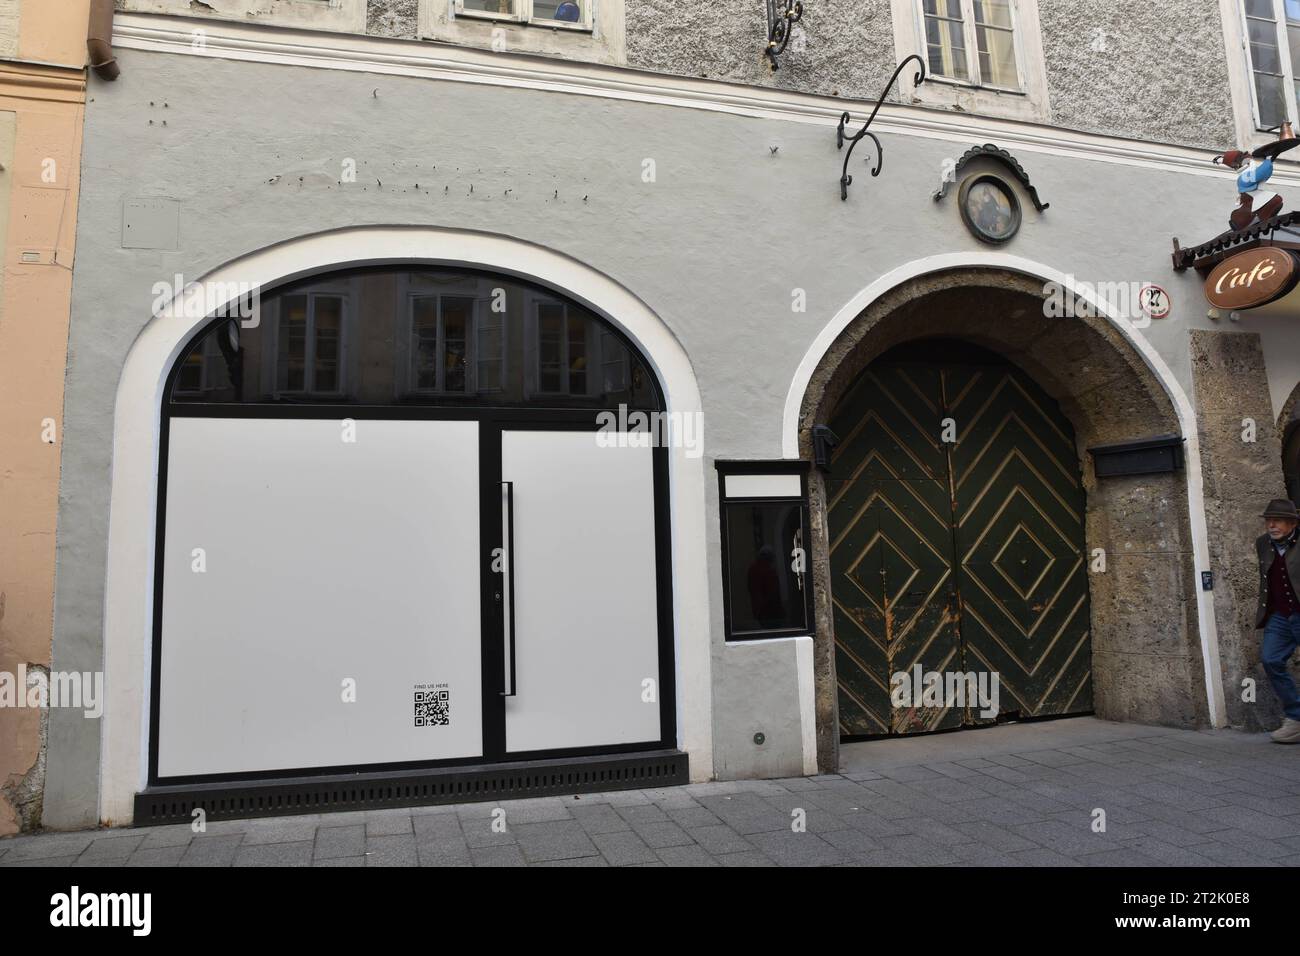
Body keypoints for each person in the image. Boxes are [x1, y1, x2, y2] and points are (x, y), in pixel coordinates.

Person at [1255, 498, 1300, 742]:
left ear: (1292, 523)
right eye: (1268, 521)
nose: (1271, 525)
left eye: (1278, 521)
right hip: (1281, 615)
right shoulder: (1262, 544)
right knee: (1271, 659)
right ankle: (1296, 718)